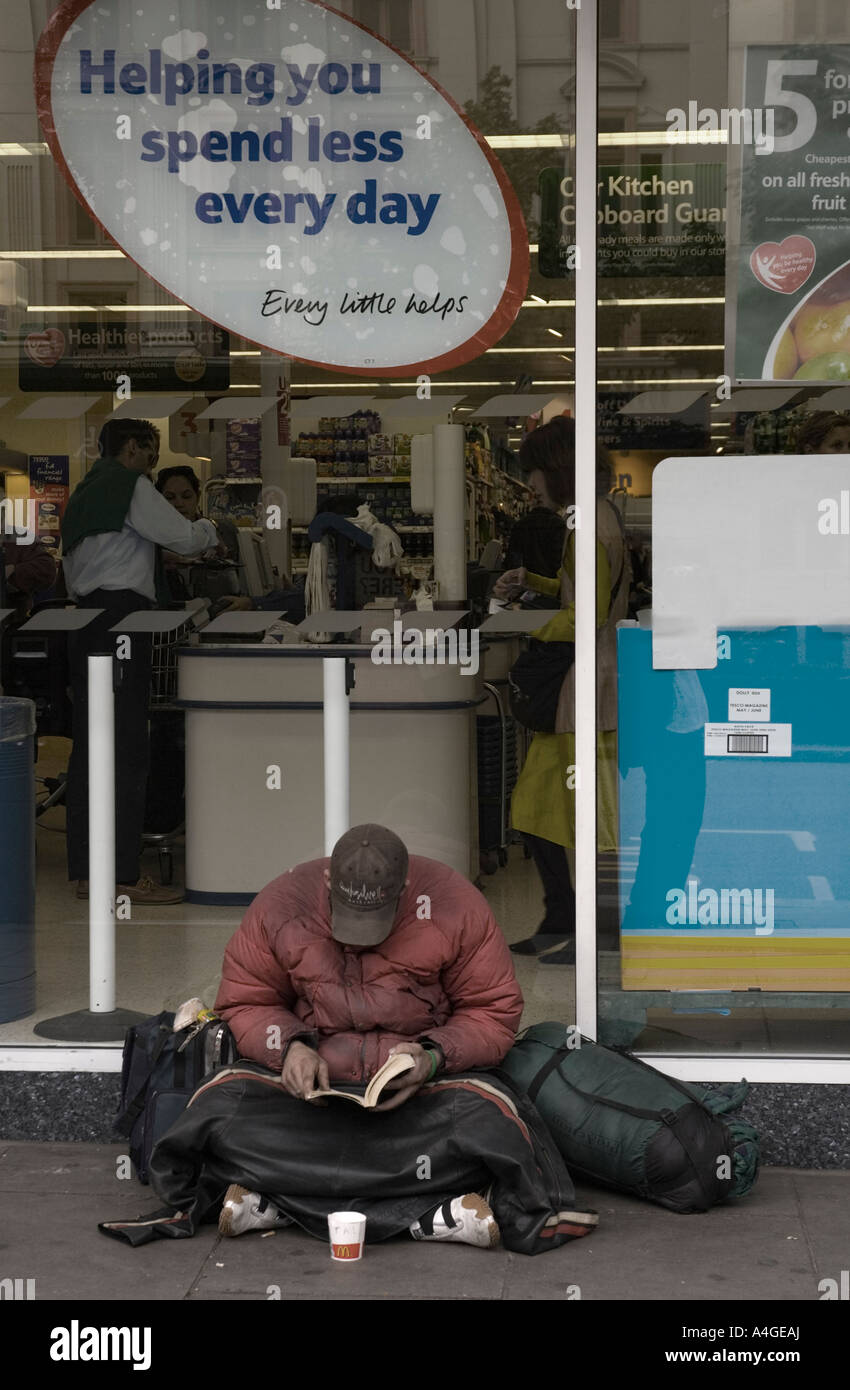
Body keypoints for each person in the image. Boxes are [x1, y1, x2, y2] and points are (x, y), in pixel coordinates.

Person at [99, 825, 598, 1255]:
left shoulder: (454, 904)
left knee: (493, 1123)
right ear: (326, 881)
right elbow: (246, 1003)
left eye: (375, 922)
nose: (359, 938)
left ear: (404, 888)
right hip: (310, 1101)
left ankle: (273, 1201)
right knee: (216, 1109)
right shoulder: (282, 903)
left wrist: (432, 1056)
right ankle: (434, 1213)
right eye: (347, 919)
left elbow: (492, 1013)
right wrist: (289, 1046)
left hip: (416, 1098)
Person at [61, 419, 221, 905]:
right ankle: (124, 874)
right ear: (132, 448)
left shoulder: (85, 490)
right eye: (150, 453)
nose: (152, 463)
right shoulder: (129, 485)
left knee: (90, 749)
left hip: (84, 622)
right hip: (121, 621)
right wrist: (211, 529)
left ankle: (90, 871)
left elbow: (105, 553)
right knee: (127, 748)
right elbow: (186, 537)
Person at [494, 420, 629, 963]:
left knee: (573, 809)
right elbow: (585, 591)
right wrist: (537, 583)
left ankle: (591, 927)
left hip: (589, 683)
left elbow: (586, 616)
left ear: (556, 469)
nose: (530, 483)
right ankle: (565, 919)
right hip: (596, 678)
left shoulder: (589, 525)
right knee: (547, 805)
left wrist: (521, 626)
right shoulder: (596, 520)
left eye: (533, 470)